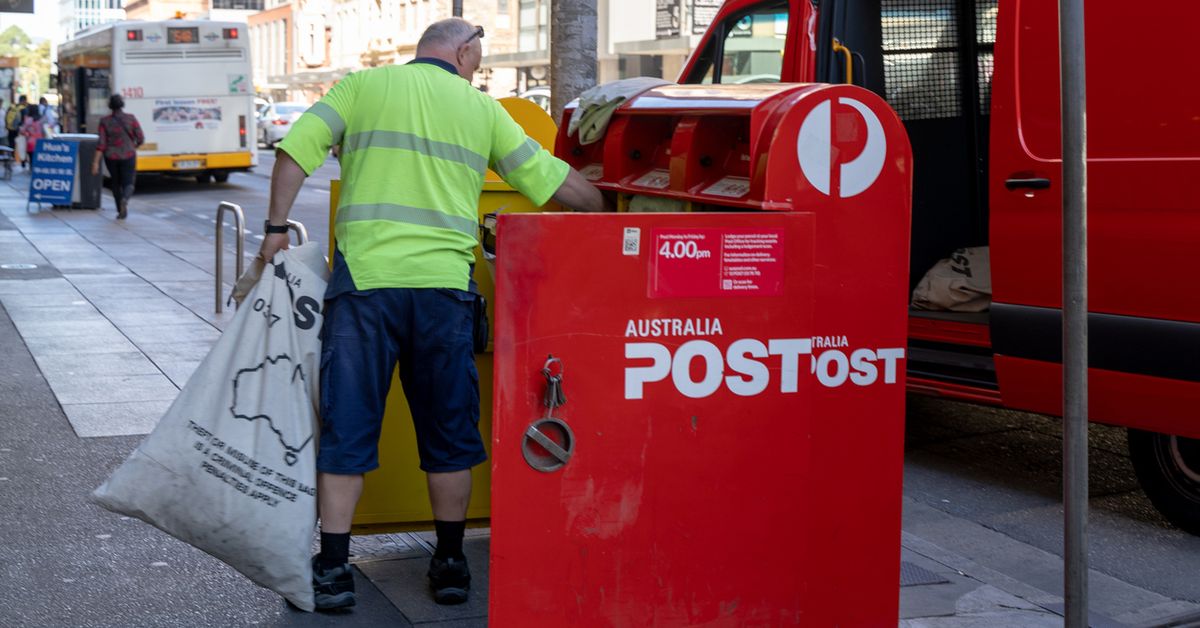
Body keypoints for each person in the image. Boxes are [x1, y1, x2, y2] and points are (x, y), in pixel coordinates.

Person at [257, 17, 605, 611]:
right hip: (444, 292)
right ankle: (449, 564)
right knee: (448, 432)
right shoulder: (482, 109)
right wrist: (607, 206)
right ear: (464, 51)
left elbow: (295, 151)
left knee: (348, 427)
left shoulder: (361, 87)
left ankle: (334, 570)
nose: (476, 70)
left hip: (365, 288)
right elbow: (549, 181)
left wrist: (273, 230)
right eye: (478, 59)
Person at [90, 94, 144, 219]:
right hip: (128, 154)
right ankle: (125, 199)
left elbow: (101, 144)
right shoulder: (131, 118)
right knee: (128, 182)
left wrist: (95, 162)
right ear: (122, 104)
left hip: (111, 156)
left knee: (115, 182)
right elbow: (140, 137)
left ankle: (120, 210)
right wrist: (133, 146)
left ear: (110, 105)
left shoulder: (105, 121)